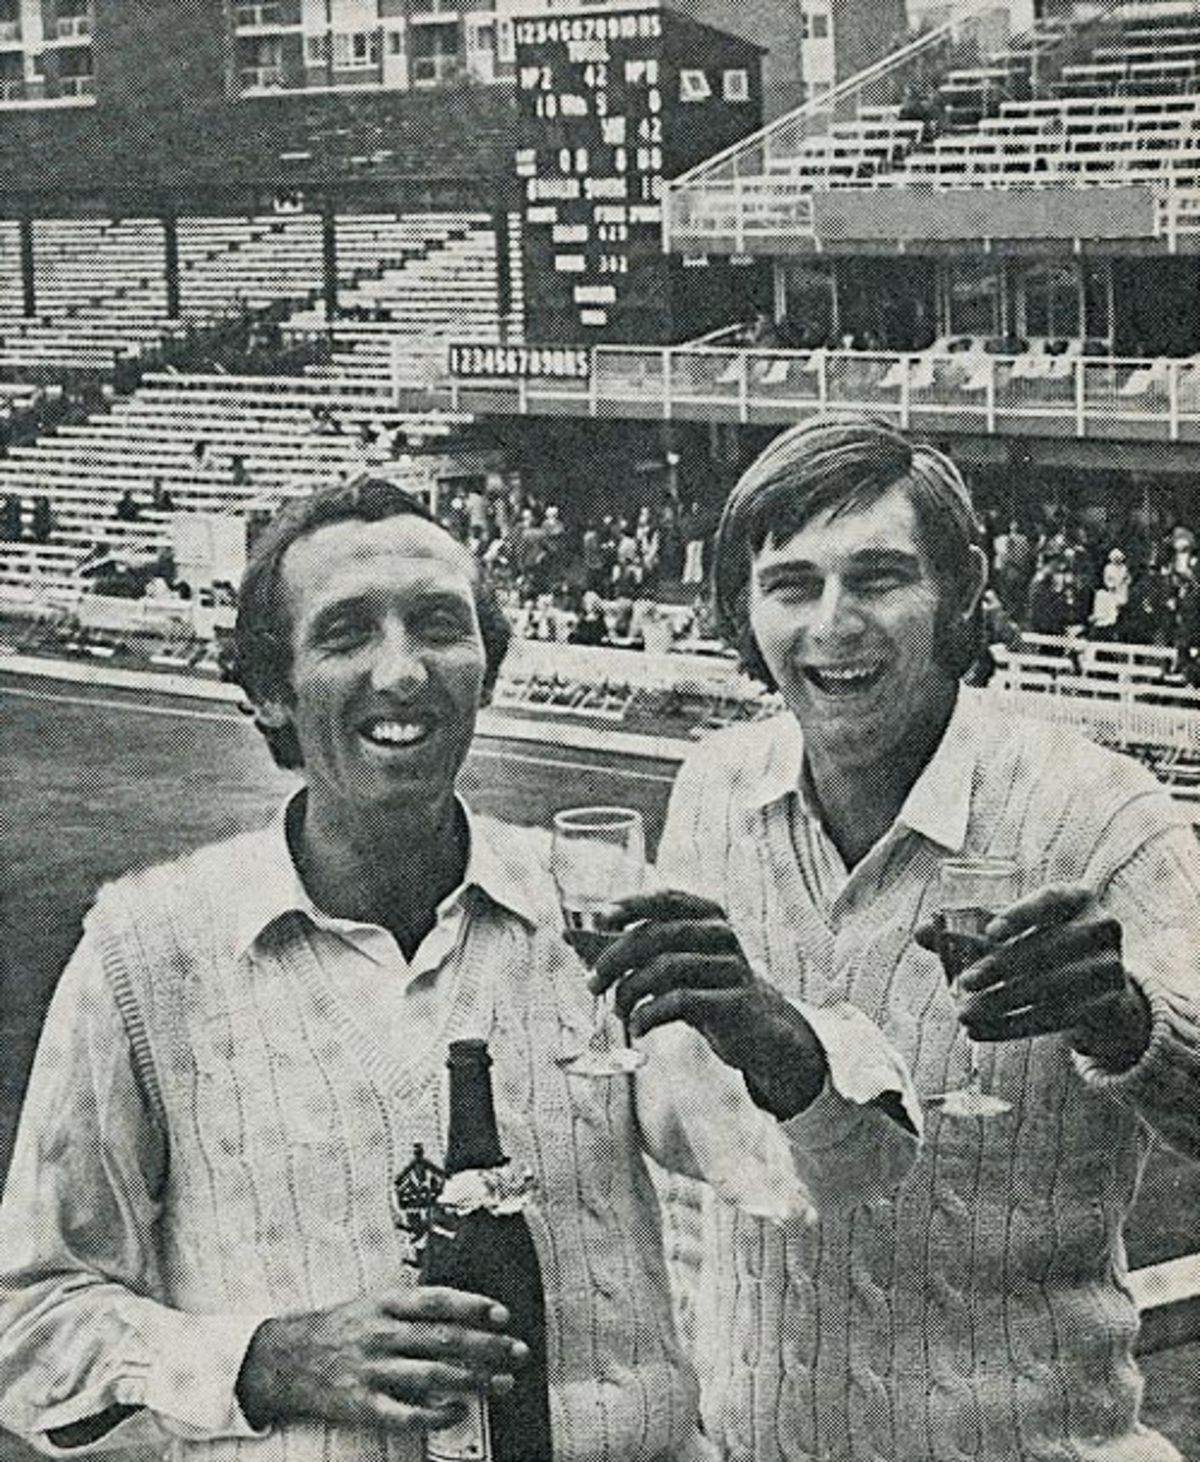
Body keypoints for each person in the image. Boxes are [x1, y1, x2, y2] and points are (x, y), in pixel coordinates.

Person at [0, 475, 920, 1462]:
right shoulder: (147, 953)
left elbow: (843, 1171)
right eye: (346, 632)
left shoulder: (602, 909)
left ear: (486, 668)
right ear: (271, 689)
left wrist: (777, 1039)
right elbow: (30, 1328)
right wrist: (263, 1361)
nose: (403, 672)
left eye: (439, 625)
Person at [593, 416, 1200, 1462]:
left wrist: (1127, 1024)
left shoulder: (1101, 812)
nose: (834, 624)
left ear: (962, 591)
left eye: (879, 577)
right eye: (791, 585)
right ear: (744, 608)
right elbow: (694, 1160)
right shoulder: (713, 787)